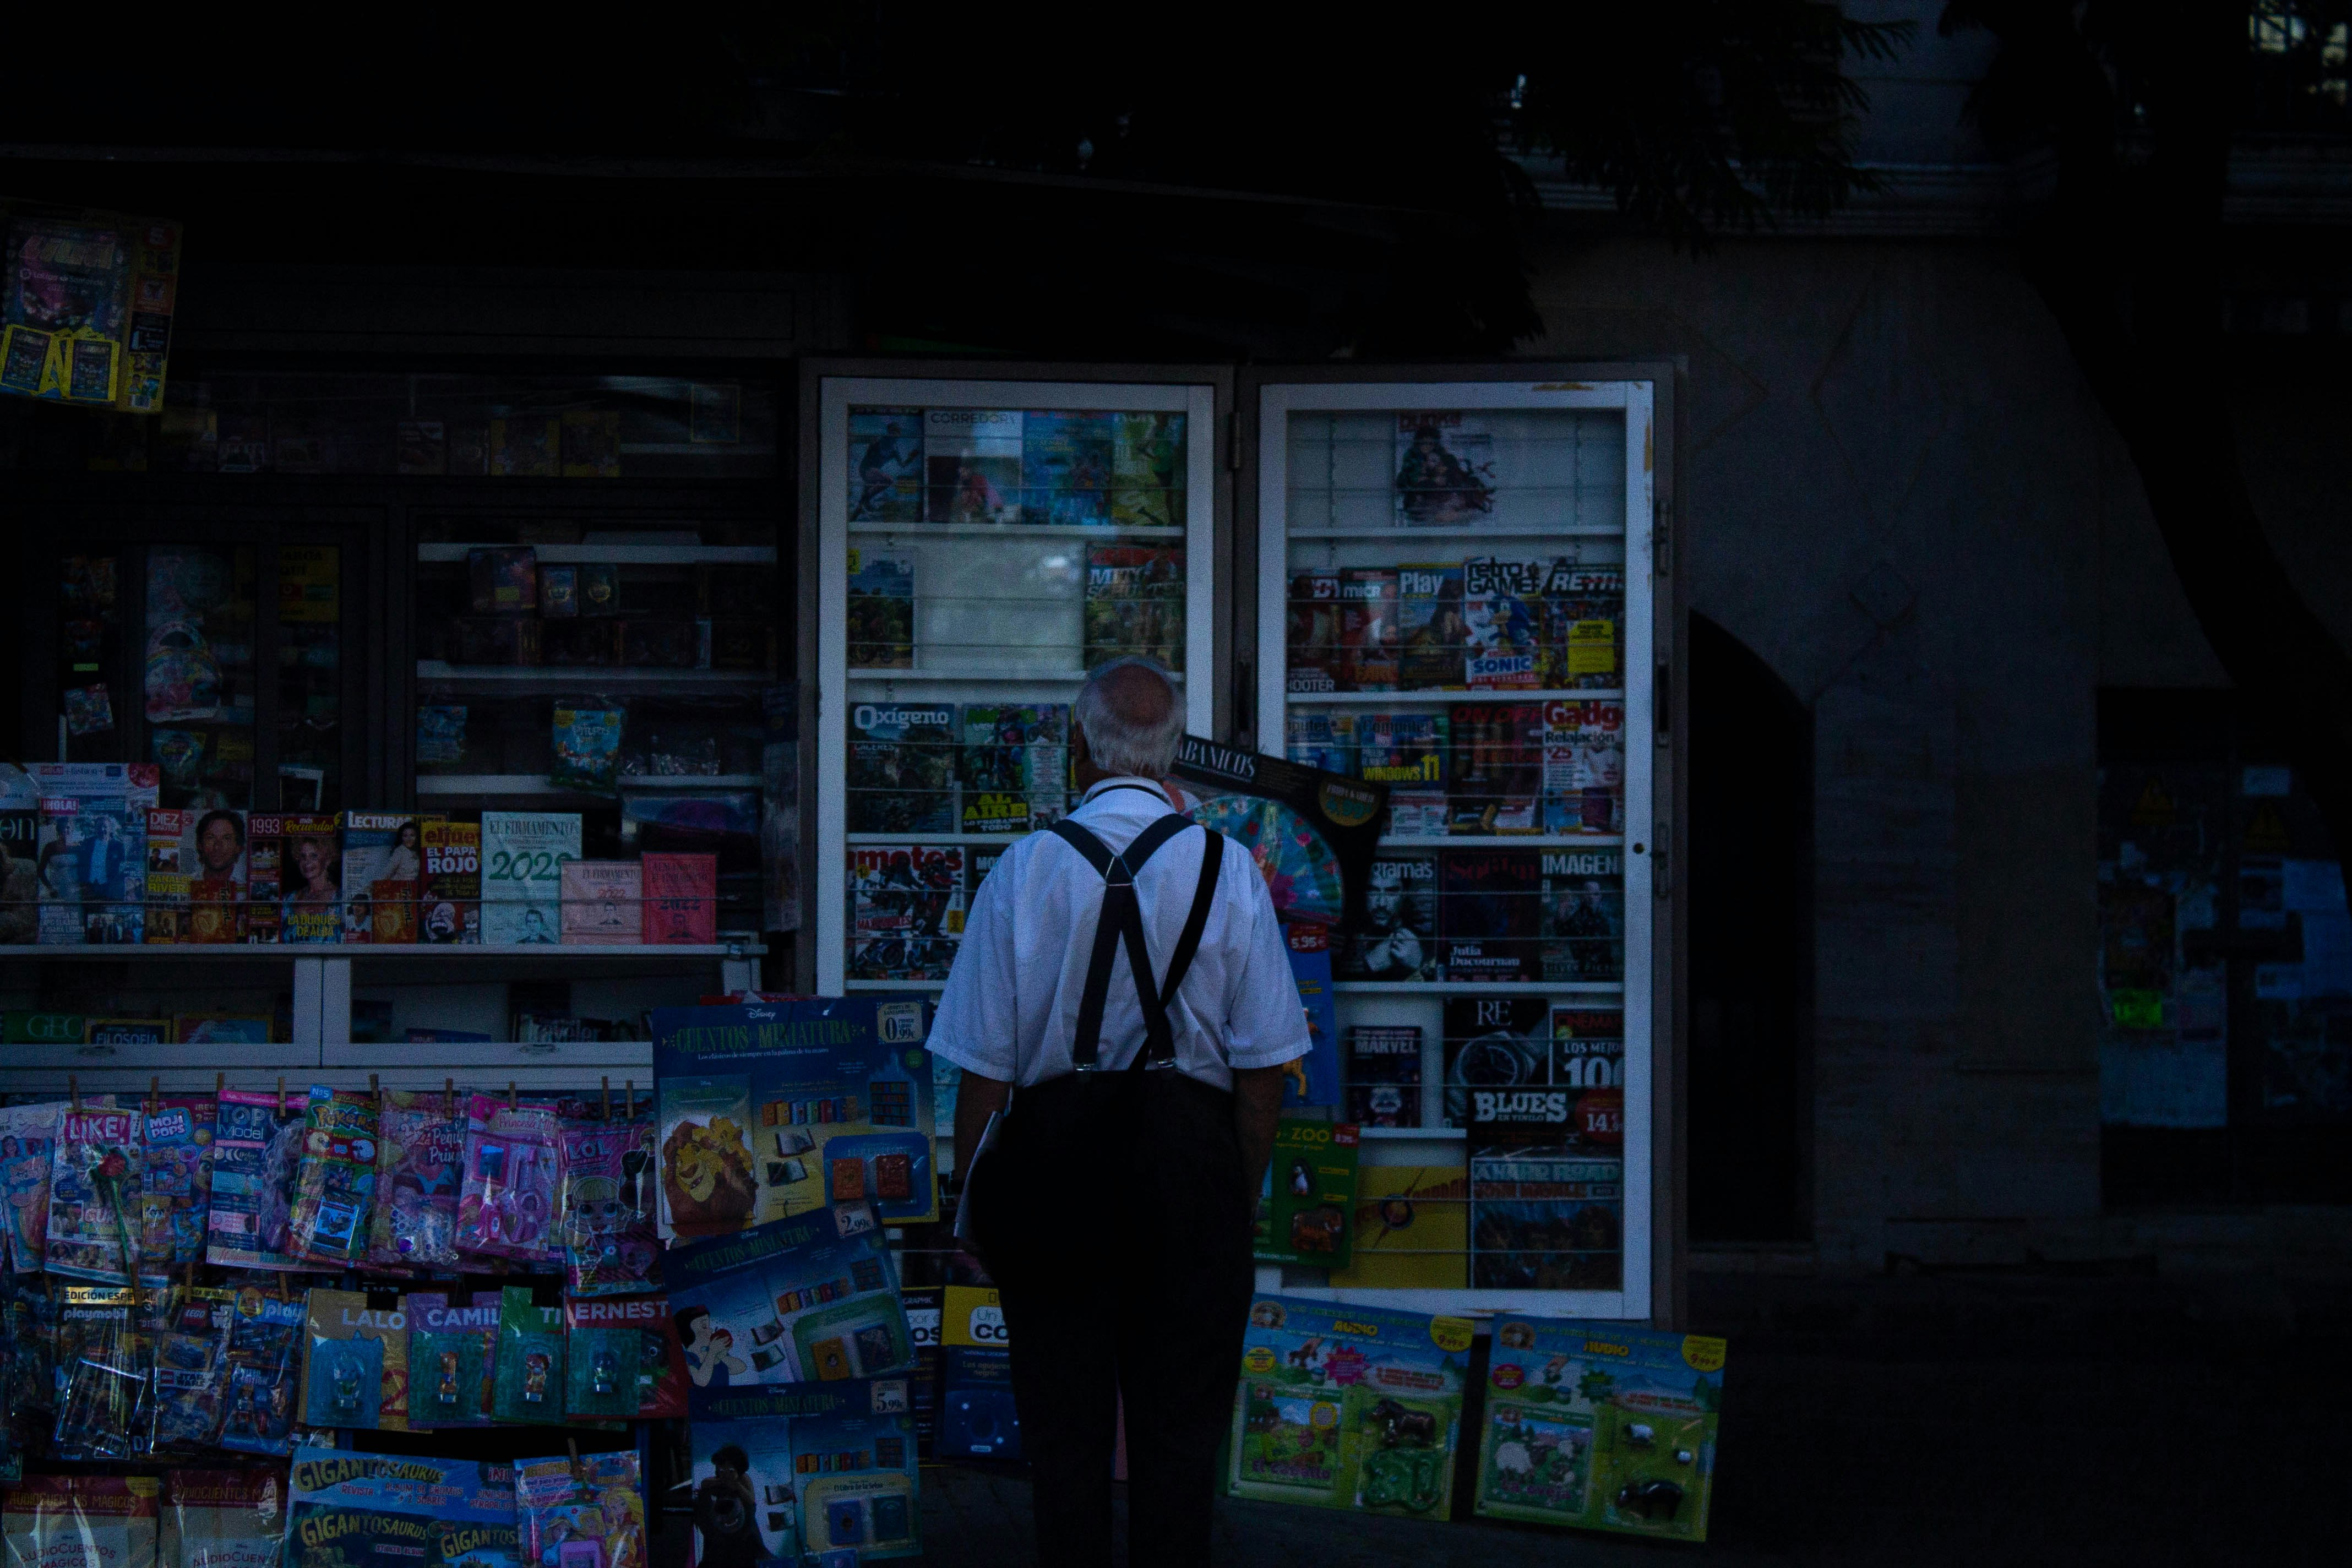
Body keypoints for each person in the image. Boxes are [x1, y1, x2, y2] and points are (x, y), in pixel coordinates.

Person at [931, 656, 1309, 1568]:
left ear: (1077, 747)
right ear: (1173, 750)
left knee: (1063, 1436)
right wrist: (1238, 1193)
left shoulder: (1022, 871)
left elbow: (983, 1073)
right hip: (1190, 1176)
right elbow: (1265, 1069)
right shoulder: (1232, 870)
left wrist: (970, 1207)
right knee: (1180, 1438)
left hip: (1055, 1174)